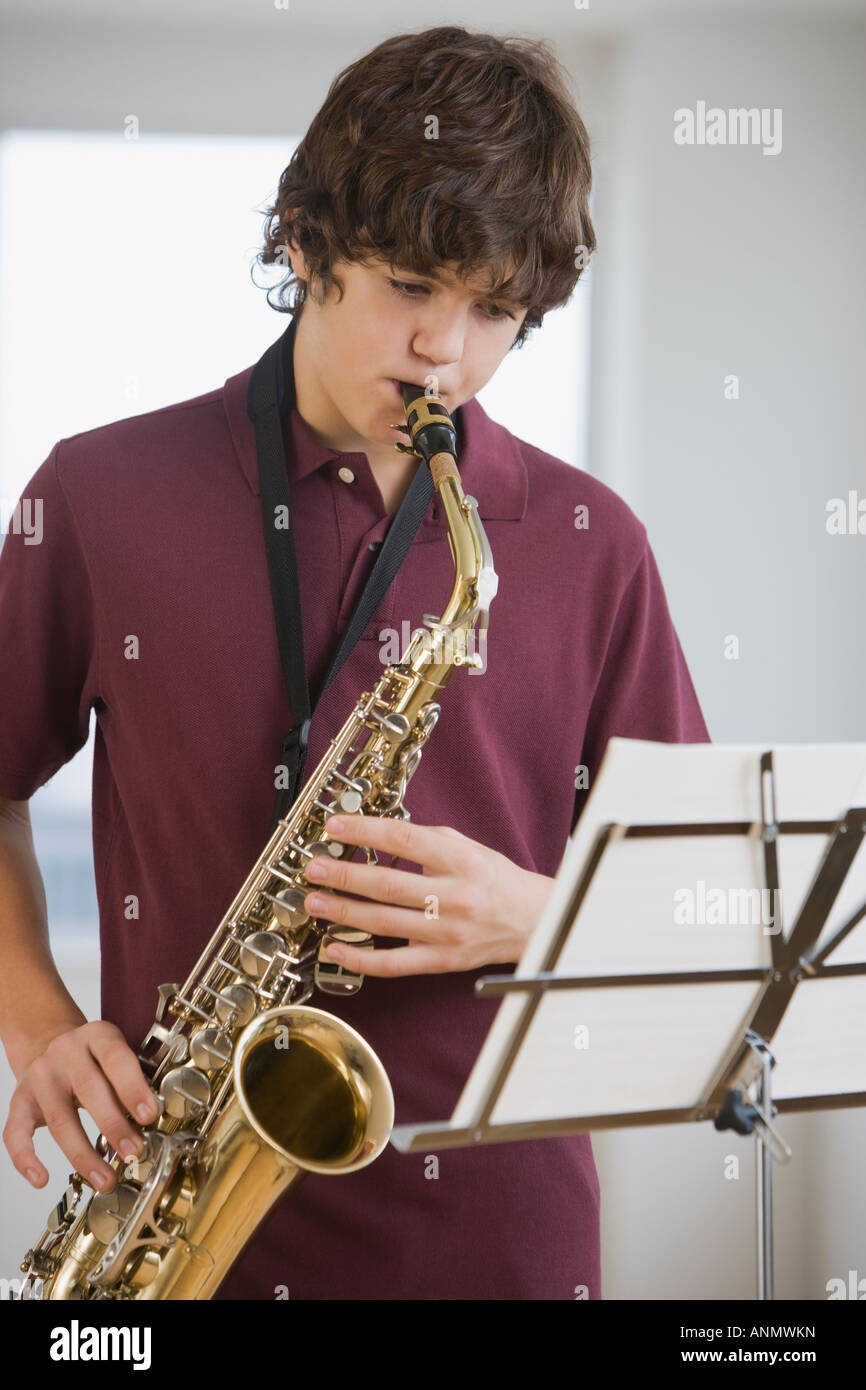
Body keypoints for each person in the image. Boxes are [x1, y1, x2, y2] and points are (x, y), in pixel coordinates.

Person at [0, 26, 709, 1300]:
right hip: (168, 1223)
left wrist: (531, 914)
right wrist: (38, 1026)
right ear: (302, 242)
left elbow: (707, 908)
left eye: (493, 310)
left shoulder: (593, 543)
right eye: (410, 284)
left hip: (504, 1237)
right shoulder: (99, 492)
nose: (446, 350)